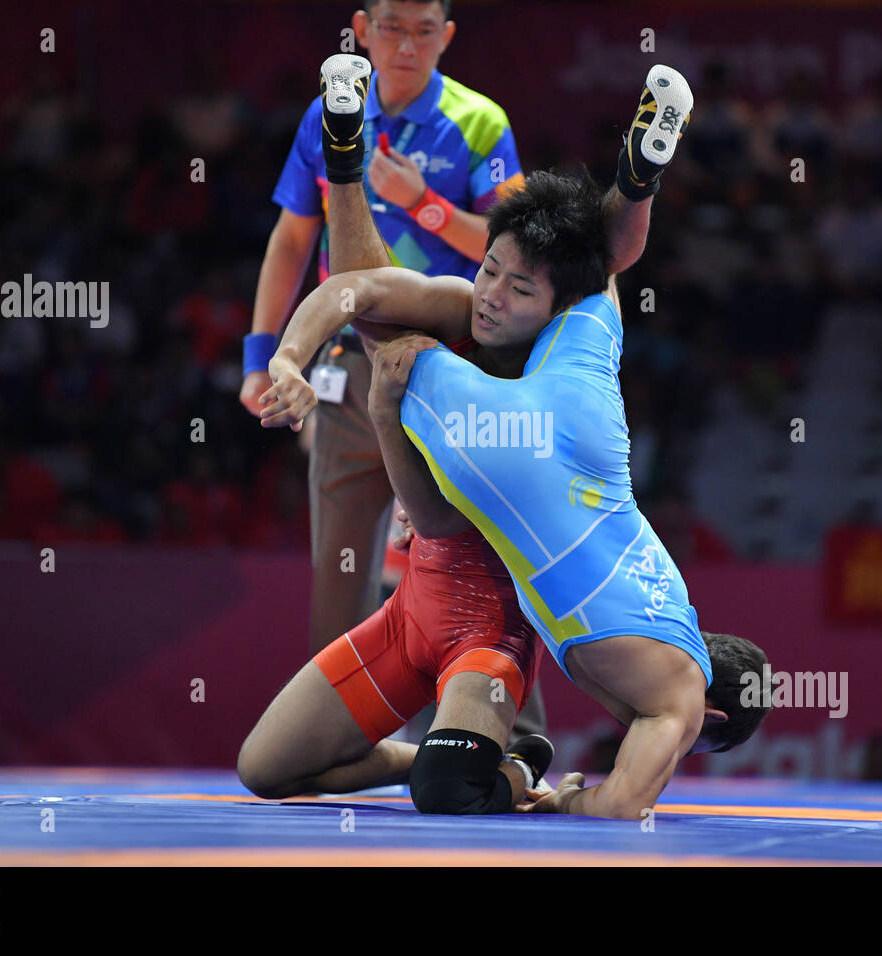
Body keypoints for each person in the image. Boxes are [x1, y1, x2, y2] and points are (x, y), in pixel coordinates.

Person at [261, 60, 771, 819]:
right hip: (509, 476)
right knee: (440, 319)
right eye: (491, 274)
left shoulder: (544, 328)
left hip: (527, 520)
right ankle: (632, 185)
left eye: (517, 286)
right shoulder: (516, 315)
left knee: (401, 330)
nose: (494, 297)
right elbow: (627, 805)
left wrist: (302, 364)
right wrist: (290, 361)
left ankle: (629, 184)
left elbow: (353, 296)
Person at [238, 0, 547, 739]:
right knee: (338, 576)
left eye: (422, 30)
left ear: (446, 36)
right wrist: (260, 357)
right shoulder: (324, 116)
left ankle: (517, 742)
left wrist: (426, 206)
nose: (406, 45)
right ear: (362, 30)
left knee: (480, 565)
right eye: (391, 28)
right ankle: (320, 745)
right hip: (348, 368)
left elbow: (518, 256)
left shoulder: (479, 123)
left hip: (450, 374)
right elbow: (290, 242)